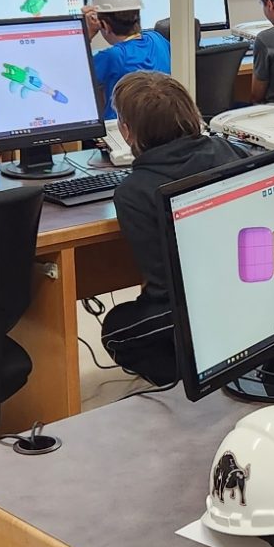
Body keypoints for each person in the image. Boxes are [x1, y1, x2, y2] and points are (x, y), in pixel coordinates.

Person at [103, 72, 243, 387]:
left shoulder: (134, 191)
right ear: (191, 113)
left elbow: (162, 285)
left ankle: (186, 376)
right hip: (250, 289)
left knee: (117, 329)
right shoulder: (227, 151)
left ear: (126, 132)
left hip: (199, 313)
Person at [86, 0, 171, 120]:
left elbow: (72, 77)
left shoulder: (113, 56)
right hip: (160, 124)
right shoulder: (158, 38)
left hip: (120, 131)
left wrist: (88, 32)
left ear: (104, 25)